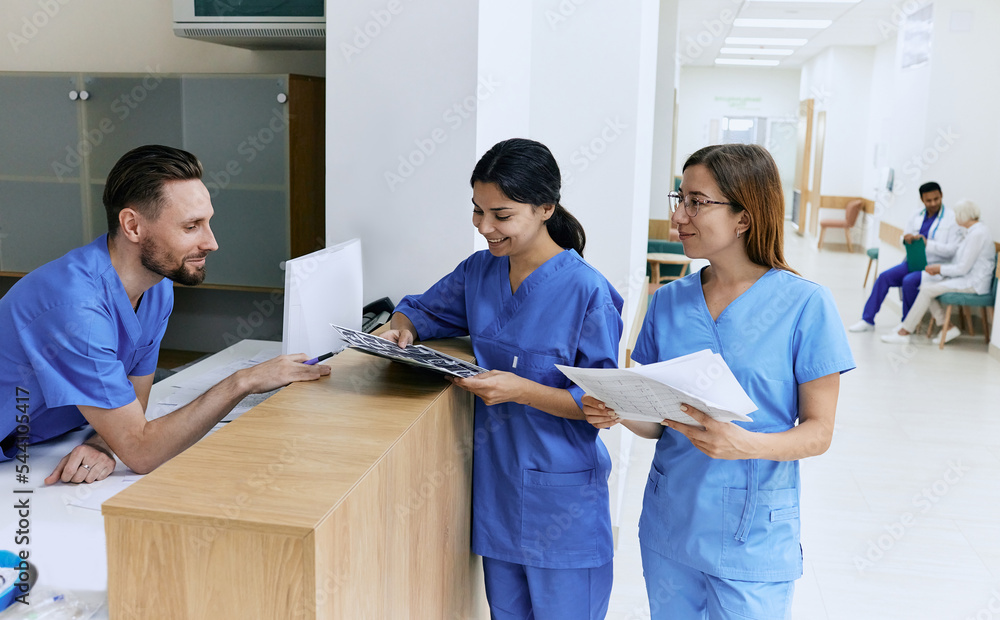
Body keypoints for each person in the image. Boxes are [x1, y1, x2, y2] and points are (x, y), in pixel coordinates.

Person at [584, 144, 855, 619]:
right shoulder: (668, 302)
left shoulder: (806, 306)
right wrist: (618, 411)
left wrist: (744, 444)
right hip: (672, 524)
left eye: (696, 201)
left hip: (753, 534)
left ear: (743, 218)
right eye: (679, 198)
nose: (679, 217)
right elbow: (658, 421)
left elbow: (819, 432)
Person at [381, 138, 623, 619]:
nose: (485, 227)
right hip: (498, 492)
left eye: (501, 215)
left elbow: (601, 405)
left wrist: (523, 392)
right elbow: (422, 310)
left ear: (545, 209)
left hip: (562, 500)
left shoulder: (586, 291)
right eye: (477, 211)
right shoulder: (479, 272)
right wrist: (399, 330)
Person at [0, 145, 330, 484]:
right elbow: (142, 453)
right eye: (191, 227)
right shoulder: (74, 309)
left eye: (208, 223)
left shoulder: (156, 285)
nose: (212, 242)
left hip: (43, 445)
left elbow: (135, 401)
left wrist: (105, 442)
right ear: (132, 226)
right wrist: (243, 381)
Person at [849, 181, 963, 332]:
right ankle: (867, 320)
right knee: (883, 277)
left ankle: (906, 324)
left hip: (933, 267)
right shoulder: (916, 215)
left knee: (908, 281)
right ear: (922, 200)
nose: (933, 203)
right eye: (928, 200)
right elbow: (903, 239)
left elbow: (951, 250)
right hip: (912, 262)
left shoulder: (951, 218)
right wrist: (906, 239)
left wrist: (927, 243)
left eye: (936, 199)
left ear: (941, 196)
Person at [881, 200, 996, 344]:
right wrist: (939, 269)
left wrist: (939, 269)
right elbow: (959, 261)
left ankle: (904, 332)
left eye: (956, 215)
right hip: (965, 277)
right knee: (925, 285)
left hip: (974, 283)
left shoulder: (978, 234)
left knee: (927, 290)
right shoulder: (971, 232)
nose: (954, 219)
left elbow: (962, 268)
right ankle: (947, 326)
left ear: (963, 216)